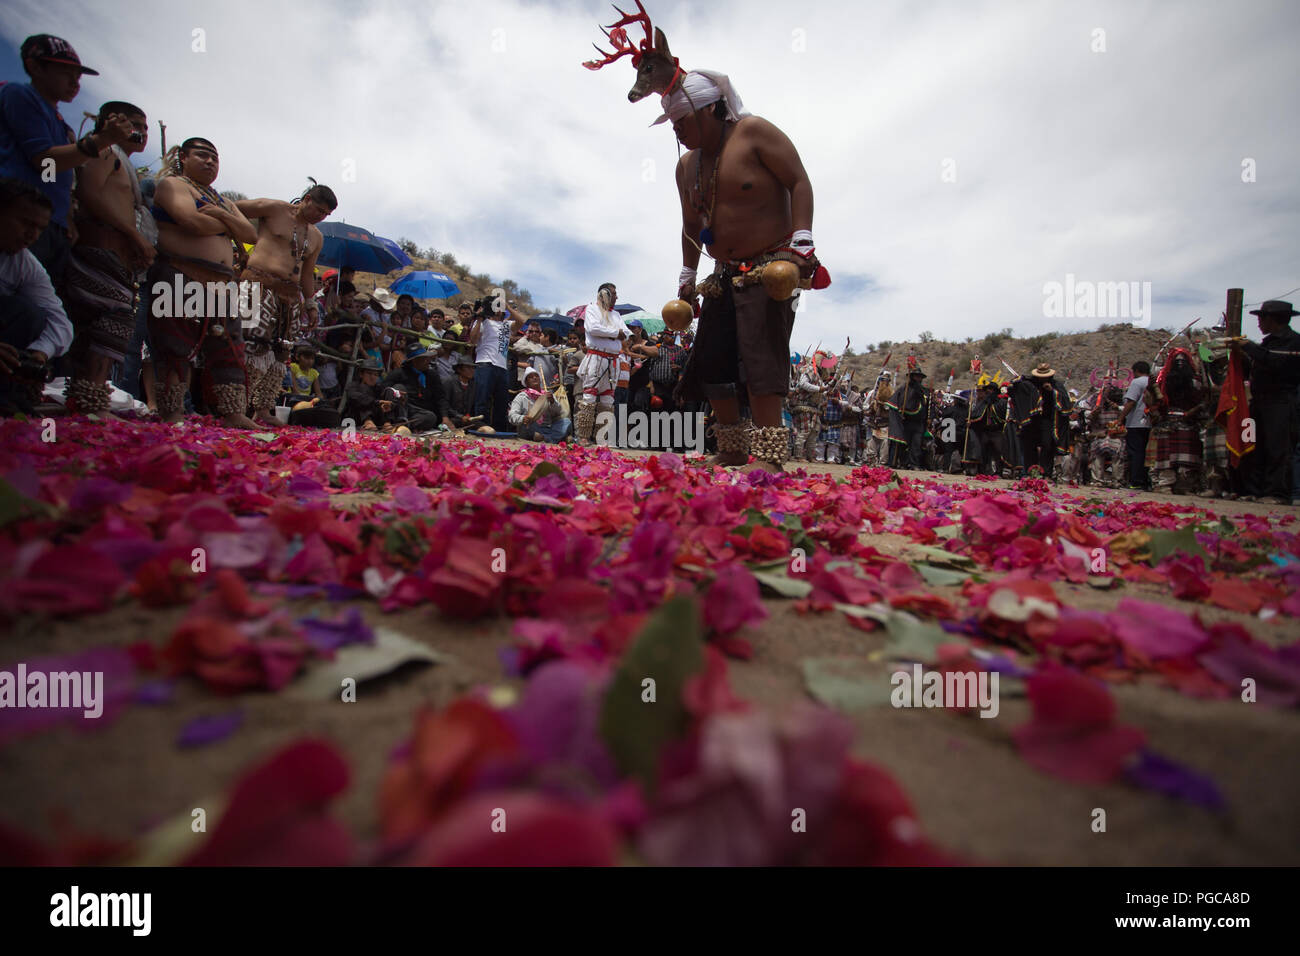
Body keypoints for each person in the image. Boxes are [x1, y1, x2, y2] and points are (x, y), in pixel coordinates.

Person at [666, 71, 825, 471]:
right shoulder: (686, 167)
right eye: (673, 125)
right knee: (714, 359)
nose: (678, 131)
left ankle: (770, 458)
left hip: (771, 266)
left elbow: (799, 181)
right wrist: (687, 275)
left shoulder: (754, 132)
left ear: (711, 110)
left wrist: (802, 239)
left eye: (683, 121)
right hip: (721, 273)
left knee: (761, 358)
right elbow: (690, 226)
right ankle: (733, 449)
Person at [0, 35, 136, 286]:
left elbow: (56, 177)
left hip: (51, 227)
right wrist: (100, 140)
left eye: (78, 75)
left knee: (42, 309)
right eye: (65, 72)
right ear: (35, 66)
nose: (75, 81)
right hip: (18, 221)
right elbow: (45, 163)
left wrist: (66, 218)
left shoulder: (61, 124)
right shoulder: (18, 94)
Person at [146, 137, 258, 425]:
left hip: (221, 284)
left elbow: (250, 235)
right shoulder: (174, 185)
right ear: (183, 156)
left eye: (215, 158)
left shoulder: (221, 200)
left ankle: (233, 412)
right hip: (180, 272)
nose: (210, 161)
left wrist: (219, 214)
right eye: (203, 155)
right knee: (174, 345)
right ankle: (171, 410)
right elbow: (190, 222)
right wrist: (229, 222)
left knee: (229, 348)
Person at [62, 102, 155, 414]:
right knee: (94, 331)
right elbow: (89, 193)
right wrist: (133, 235)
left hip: (118, 260)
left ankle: (90, 402)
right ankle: (87, 403)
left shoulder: (121, 160)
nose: (140, 132)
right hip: (99, 249)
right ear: (108, 122)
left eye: (144, 126)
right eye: (132, 124)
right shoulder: (105, 151)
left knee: (109, 334)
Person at [233, 183, 334, 426]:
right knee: (248, 348)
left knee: (280, 354)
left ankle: (264, 410)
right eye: (319, 210)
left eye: (325, 215)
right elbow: (232, 209)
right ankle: (235, 409)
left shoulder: (316, 236)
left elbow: (308, 273)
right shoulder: (274, 208)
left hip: (289, 296)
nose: (321, 217)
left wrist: (310, 303)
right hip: (257, 286)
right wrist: (240, 246)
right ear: (307, 199)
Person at [0, 178, 73, 415]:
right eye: (25, 223)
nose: (32, 235)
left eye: (41, 228)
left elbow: (59, 322)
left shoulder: (23, 262)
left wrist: (37, 354)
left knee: (30, 314)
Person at [1234, 300, 1300, 504]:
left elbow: (1276, 363)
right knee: (1255, 445)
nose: (1259, 323)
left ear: (1273, 319)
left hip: (1280, 401)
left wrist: (1250, 348)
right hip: (1259, 401)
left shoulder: (1294, 342)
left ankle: (1276, 492)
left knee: (1277, 447)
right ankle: (1254, 489)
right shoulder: (1268, 343)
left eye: (1262, 318)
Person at [1144, 347, 1208, 495]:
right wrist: (1152, 390)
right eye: (1177, 361)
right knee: (1168, 457)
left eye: (1182, 361)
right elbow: (1155, 402)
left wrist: (1193, 412)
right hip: (1169, 421)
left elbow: (1202, 400)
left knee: (1185, 458)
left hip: (1187, 421)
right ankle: (1166, 484)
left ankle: (1184, 485)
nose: (1180, 364)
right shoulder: (1163, 382)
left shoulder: (1195, 381)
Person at [573, 282, 630, 444]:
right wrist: (614, 333)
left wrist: (614, 334)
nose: (616, 297)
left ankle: (600, 437)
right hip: (596, 358)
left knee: (608, 400)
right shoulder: (591, 309)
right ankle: (584, 436)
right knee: (589, 397)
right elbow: (593, 329)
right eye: (613, 293)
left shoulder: (616, 315)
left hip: (613, 361)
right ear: (603, 294)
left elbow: (625, 333)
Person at [1009, 363, 1070, 480]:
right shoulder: (1030, 383)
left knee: (1047, 445)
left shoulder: (1056, 385)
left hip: (1048, 420)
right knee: (1029, 445)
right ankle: (1030, 472)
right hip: (1032, 420)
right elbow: (1015, 391)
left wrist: (1052, 391)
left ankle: (1046, 473)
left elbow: (1065, 402)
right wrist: (1015, 383)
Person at [382, 344, 451, 431]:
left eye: (427, 358)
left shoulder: (432, 375)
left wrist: (445, 417)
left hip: (417, 412)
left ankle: (404, 426)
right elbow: (383, 390)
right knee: (398, 387)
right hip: (400, 408)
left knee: (431, 417)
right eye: (424, 359)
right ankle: (393, 422)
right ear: (415, 361)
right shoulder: (399, 373)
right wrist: (396, 394)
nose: (428, 361)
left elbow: (440, 397)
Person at [963, 374, 1009, 476]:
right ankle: (983, 470)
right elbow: (977, 414)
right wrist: (971, 421)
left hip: (997, 431)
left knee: (998, 452)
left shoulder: (1001, 403)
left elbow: (1003, 417)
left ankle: (999, 471)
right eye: (987, 389)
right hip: (985, 431)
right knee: (984, 451)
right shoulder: (984, 403)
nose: (988, 391)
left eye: (991, 390)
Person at [509, 368, 571, 443]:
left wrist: (552, 401)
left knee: (566, 422)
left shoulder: (548, 394)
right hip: (532, 427)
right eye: (531, 377)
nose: (534, 378)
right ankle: (554, 438)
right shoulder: (522, 397)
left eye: (536, 376)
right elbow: (512, 415)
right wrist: (523, 418)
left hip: (547, 427)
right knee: (527, 425)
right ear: (526, 382)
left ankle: (545, 439)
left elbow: (559, 412)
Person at [886, 368, 930, 469]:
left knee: (916, 444)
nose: (918, 378)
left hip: (919, 422)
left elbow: (928, 406)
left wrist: (929, 418)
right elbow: (897, 402)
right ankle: (903, 463)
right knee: (904, 444)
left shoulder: (925, 391)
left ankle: (914, 464)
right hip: (906, 421)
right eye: (916, 376)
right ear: (912, 377)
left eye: (919, 377)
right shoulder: (904, 389)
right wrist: (901, 411)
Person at [1087, 385, 1127, 488]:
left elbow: (1123, 424)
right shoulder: (1097, 408)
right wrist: (1095, 413)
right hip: (1100, 434)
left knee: (1117, 450)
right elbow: (1090, 423)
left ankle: (1116, 480)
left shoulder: (1119, 408)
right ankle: (1097, 479)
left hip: (1116, 435)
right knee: (1097, 449)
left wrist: (1117, 409)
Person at [1121, 360, 1153, 489]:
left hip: (1135, 422)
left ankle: (1136, 481)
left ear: (1136, 371)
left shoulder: (1137, 382)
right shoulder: (1152, 382)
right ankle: (1146, 481)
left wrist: (1120, 418)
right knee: (1146, 452)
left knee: (1136, 452)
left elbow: (1131, 402)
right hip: (1149, 422)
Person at [342, 358, 395, 431]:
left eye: (375, 375)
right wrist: (377, 402)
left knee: (389, 390)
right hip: (356, 420)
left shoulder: (379, 388)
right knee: (364, 389)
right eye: (369, 373)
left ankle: (387, 423)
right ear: (361, 374)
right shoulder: (353, 386)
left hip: (377, 420)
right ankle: (367, 421)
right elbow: (355, 397)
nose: (372, 377)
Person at [789, 359, 826, 462]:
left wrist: (826, 390)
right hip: (803, 405)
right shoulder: (808, 369)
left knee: (814, 432)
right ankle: (799, 455)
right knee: (804, 431)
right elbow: (803, 384)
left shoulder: (818, 374)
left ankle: (810, 455)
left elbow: (821, 389)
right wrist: (819, 389)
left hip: (814, 408)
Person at [441, 352, 478, 429]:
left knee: (487, 429)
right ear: (459, 369)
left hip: (467, 419)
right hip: (453, 418)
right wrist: (460, 416)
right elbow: (445, 404)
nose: (471, 370)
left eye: (473, 368)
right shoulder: (449, 382)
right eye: (468, 367)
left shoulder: (473, 384)